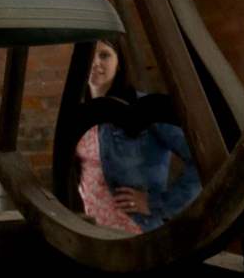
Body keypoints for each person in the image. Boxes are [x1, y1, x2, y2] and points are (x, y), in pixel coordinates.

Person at [74, 39, 201, 234]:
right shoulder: (79, 114)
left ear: (119, 64)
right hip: (92, 232)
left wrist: (157, 204)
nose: (95, 62)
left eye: (104, 55)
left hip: (136, 233)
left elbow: (203, 161)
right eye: (89, 55)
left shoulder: (145, 108)